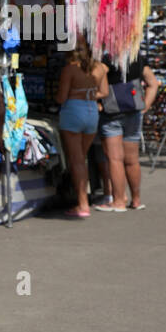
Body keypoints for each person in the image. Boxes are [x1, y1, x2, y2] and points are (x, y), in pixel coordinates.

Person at [54, 38, 109, 218]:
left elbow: (61, 98)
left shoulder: (70, 69)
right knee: (81, 159)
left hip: (73, 111)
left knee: (76, 161)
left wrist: (72, 93)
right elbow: (105, 92)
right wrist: (89, 93)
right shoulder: (100, 68)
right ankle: (81, 198)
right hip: (91, 110)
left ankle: (82, 203)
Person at [96, 53, 159, 211]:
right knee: (132, 159)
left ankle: (119, 201)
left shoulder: (107, 58)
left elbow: (96, 76)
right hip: (133, 110)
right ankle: (136, 199)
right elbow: (153, 83)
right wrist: (146, 105)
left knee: (115, 159)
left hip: (112, 112)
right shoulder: (135, 57)